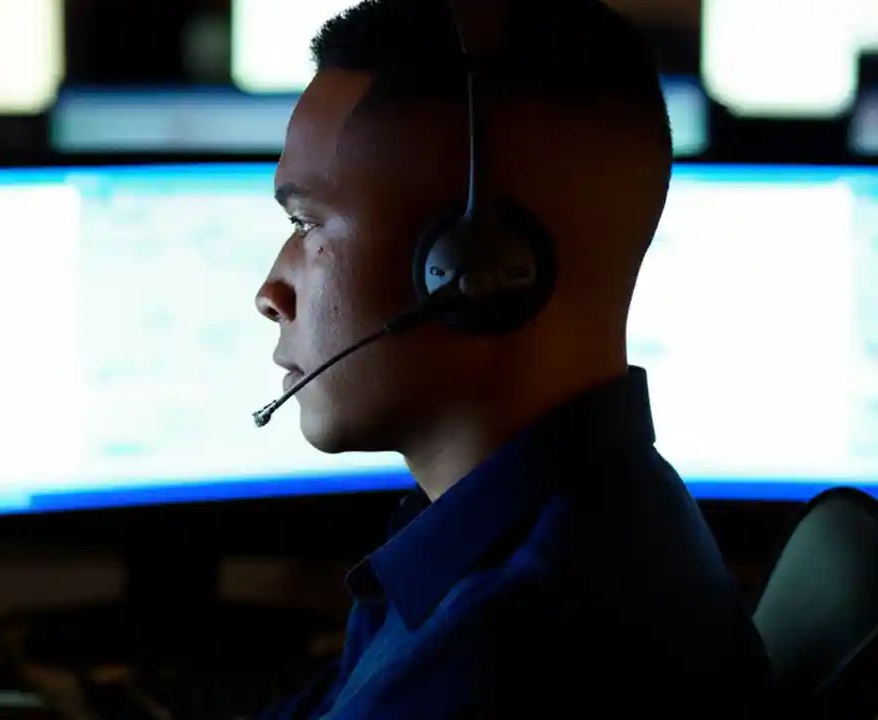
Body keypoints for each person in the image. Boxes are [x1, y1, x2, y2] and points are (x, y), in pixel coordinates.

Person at [252, 0, 774, 717]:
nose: (270, 293)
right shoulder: (557, 530)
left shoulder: (504, 657)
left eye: (307, 223)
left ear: (474, 268)